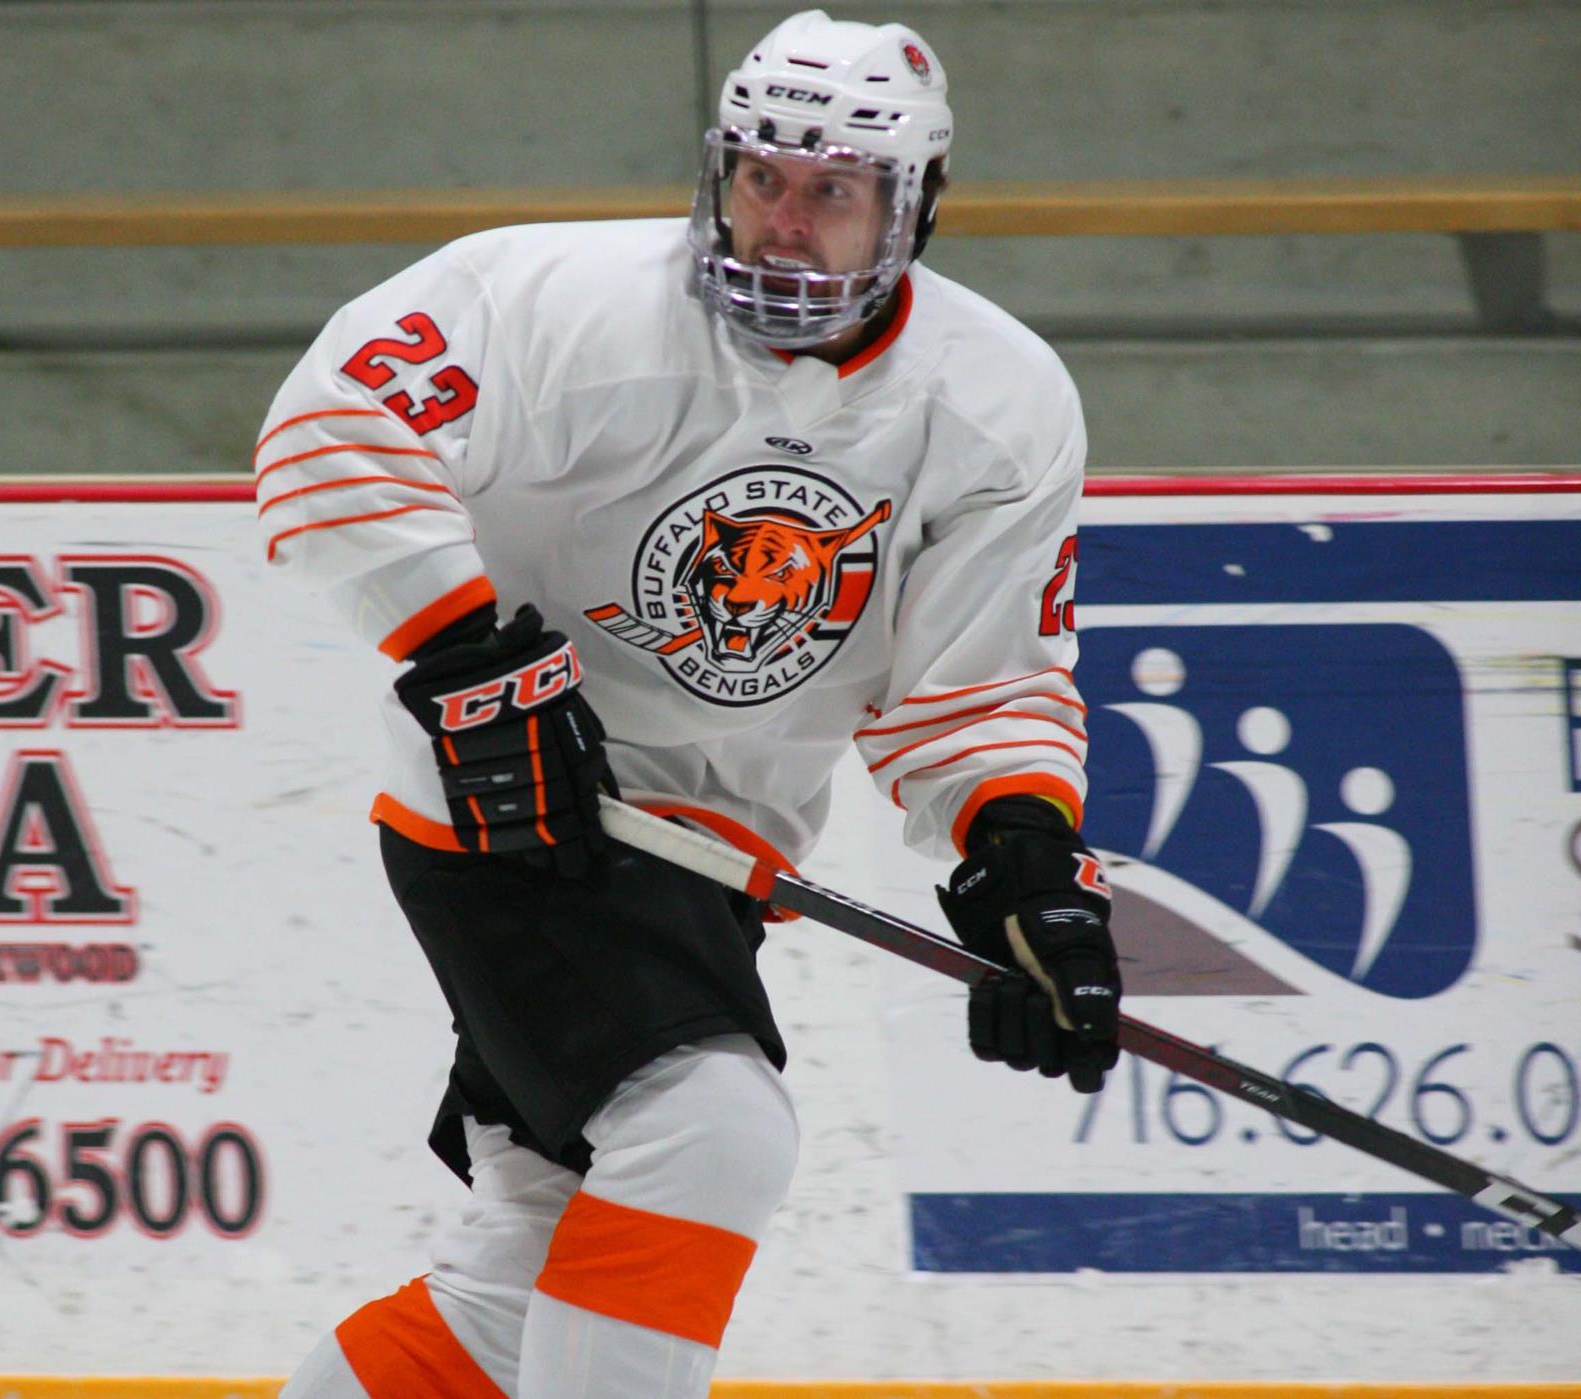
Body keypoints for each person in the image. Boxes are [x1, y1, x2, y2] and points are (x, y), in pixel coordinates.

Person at [255, 11, 1120, 1396]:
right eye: (760, 179)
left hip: (715, 861)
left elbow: (977, 691)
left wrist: (1025, 871)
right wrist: (470, 657)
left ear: (918, 205)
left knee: (518, 1286)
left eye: (832, 192)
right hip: (509, 819)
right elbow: (330, 426)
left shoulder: (1000, 401)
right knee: (710, 1128)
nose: (783, 223)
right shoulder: (552, 300)